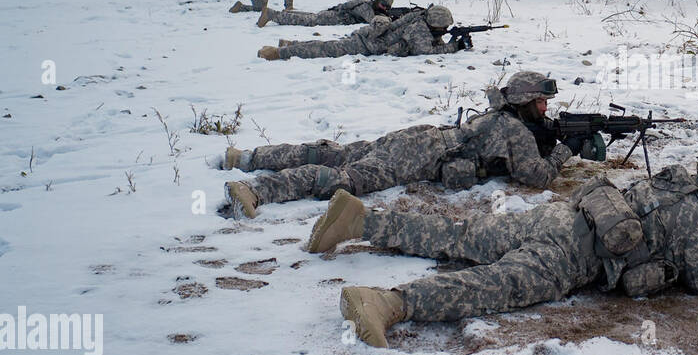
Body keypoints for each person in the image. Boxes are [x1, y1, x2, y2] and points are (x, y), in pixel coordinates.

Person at [312, 139, 698, 348]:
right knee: (494, 286)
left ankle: (361, 220)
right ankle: (388, 303)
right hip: (569, 257)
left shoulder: (675, 181)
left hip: (558, 215)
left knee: (461, 235)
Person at [222, 70, 601, 218]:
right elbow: (536, 177)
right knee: (344, 178)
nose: (546, 107)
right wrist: (568, 150)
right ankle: (255, 190)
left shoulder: (500, 116)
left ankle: (248, 157)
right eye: (540, 101)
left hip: (420, 135)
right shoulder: (516, 130)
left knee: (335, 151)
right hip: (419, 156)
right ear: (524, 102)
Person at [255, 4, 460, 61]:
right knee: (325, 50)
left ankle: (290, 44)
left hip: (367, 39)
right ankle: (277, 53)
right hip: (366, 45)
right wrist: (453, 47)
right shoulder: (419, 28)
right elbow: (423, 51)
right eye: (443, 27)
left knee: (327, 46)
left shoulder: (419, 19)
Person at [256, 0, 397, 28]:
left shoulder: (369, 5)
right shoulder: (366, 6)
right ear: (377, 0)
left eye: (387, 7)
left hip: (335, 14)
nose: (384, 8)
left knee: (312, 16)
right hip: (336, 17)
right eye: (383, 4)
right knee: (310, 21)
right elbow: (372, 20)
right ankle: (272, 15)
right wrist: (390, 19)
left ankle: (286, 13)